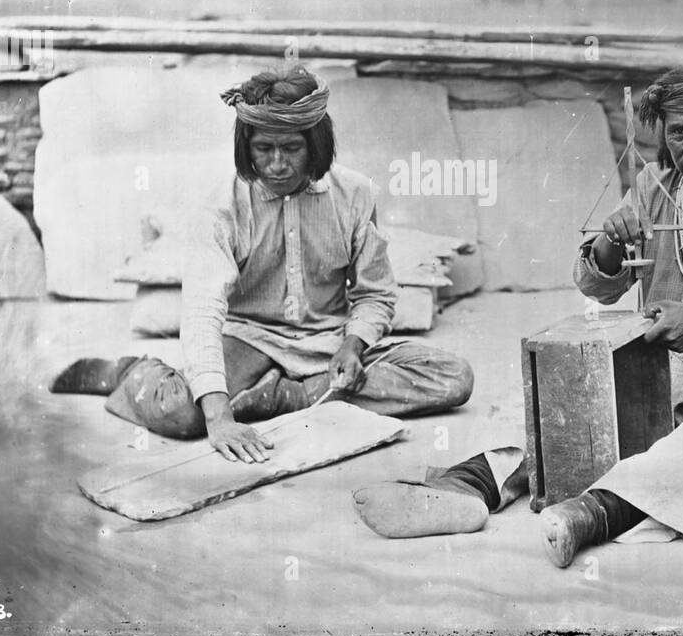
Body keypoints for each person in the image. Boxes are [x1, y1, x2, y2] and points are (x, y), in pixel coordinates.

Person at [353, 59, 683, 568]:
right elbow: (598, 288)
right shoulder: (655, 188)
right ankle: (467, 488)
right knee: (559, 388)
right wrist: (607, 246)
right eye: (679, 132)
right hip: (658, 379)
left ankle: (594, 514)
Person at [52, 65, 475, 463]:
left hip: (327, 346)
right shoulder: (221, 208)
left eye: (291, 148)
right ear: (246, 148)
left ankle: (280, 396)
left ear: (316, 145)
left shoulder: (356, 195)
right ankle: (132, 371)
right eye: (263, 149)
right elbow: (201, 311)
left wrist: (353, 345)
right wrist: (217, 419)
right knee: (182, 415)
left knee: (452, 377)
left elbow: (375, 294)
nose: (276, 164)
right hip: (248, 340)